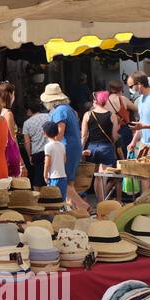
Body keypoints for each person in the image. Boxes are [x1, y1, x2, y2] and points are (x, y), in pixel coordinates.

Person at [42, 83, 86, 213]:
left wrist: (52, 146)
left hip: (67, 147)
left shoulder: (59, 111)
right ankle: (70, 208)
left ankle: (82, 205)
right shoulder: (67, 108)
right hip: (73, 147)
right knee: (69, 181)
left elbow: (59, 133)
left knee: (64, 181)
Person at [81, 90, 118, 202]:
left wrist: (81, 150)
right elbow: (114, 136)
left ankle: (100, 202)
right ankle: (102, 203)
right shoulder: (112, 116)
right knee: (102, 177)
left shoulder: (87, 115)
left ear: (95, 102)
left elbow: (83, 135)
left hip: (92, 148)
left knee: (97, 177)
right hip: (106, 148)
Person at [21, 101, 51, 187]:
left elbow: (27, 142)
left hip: (37, 152)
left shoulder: (27, 123)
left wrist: (29, 155)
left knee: (38, 176)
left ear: (30, 110)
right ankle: (52, 194)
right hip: (50, 150)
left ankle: (38, 197)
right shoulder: (49, 116)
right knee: (51, 174)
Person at [43, 122, 69, 195]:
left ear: (44, 133)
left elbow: (47, 163)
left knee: (53, 200)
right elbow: (64, 160)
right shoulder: (62, 145)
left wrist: (45, 175)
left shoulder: (48, 146)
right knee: (62, 200)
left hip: (53, 177)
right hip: (63, 176)